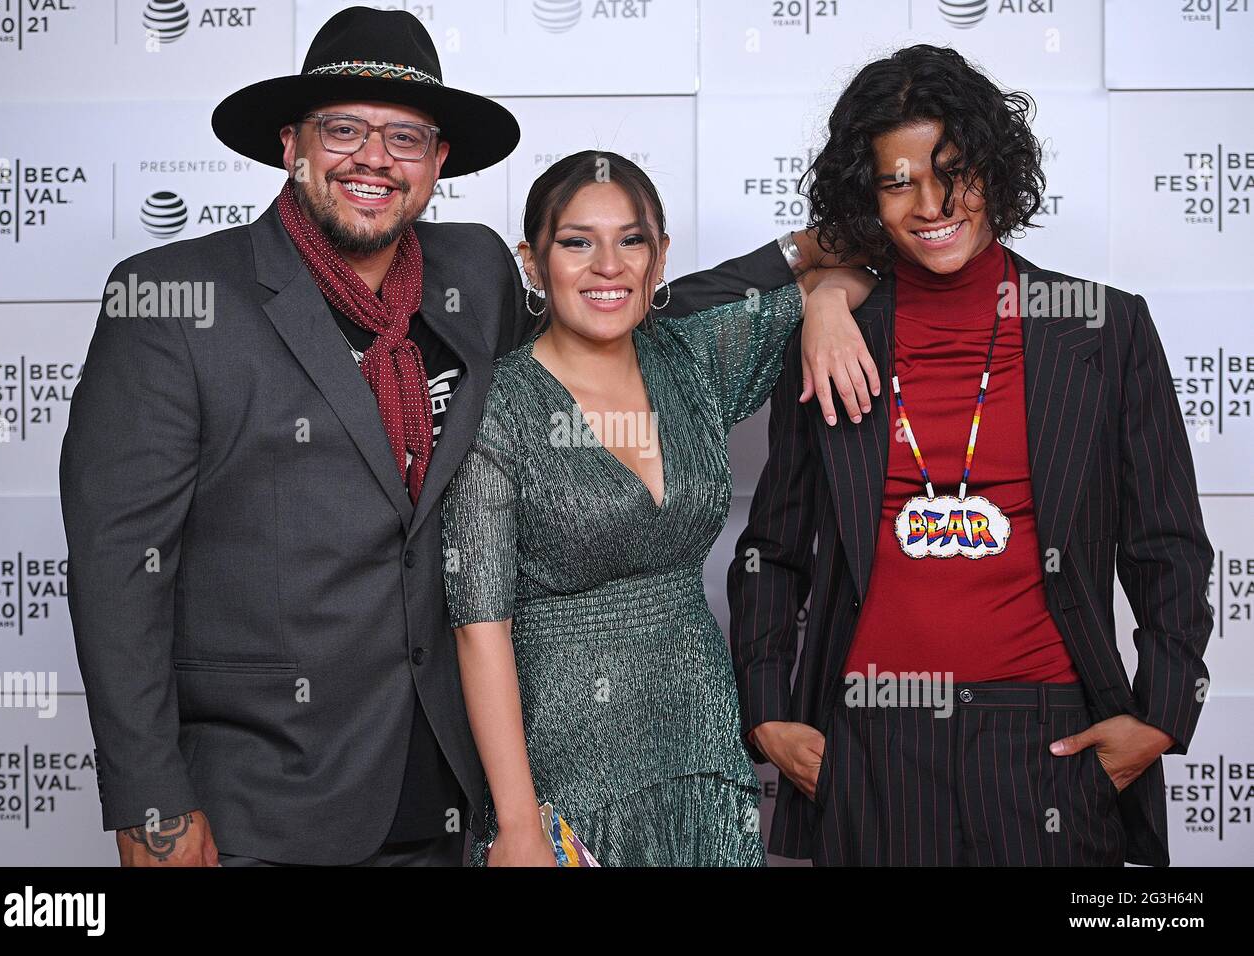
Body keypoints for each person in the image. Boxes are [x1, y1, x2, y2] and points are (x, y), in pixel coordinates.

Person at [59, 7, 873, 866]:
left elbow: (610, 316)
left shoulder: (471, 273)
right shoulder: (175, 302)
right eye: (343, 129)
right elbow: (118, 569)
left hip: (451, 786)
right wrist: (153, 800)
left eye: (405, 138)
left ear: (438, 161)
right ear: (290, 145)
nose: (374, 158)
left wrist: (805, 268)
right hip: (264, 799)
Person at [729, 45, 1214, 867]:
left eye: (953, 171)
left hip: (1051, 742)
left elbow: (1166, 544)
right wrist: (769, 711)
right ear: (866, 195)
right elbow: (772, 550)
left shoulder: (1103, 328)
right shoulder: (834, 339)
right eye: (897, 181)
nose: (931, 204)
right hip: (871, 741)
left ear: (995, 168)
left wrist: (1161, 715)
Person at [439, 151, 870, 866]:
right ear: (532, 262)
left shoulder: (693, 357)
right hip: (563, 771)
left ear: (660, 257)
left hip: (702, 749)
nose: (608, 264)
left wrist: (821, 304)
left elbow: (852, 275)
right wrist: (518, 824)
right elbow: (479, 629)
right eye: (577, 242)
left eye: (631, 239)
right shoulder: (498, 408)